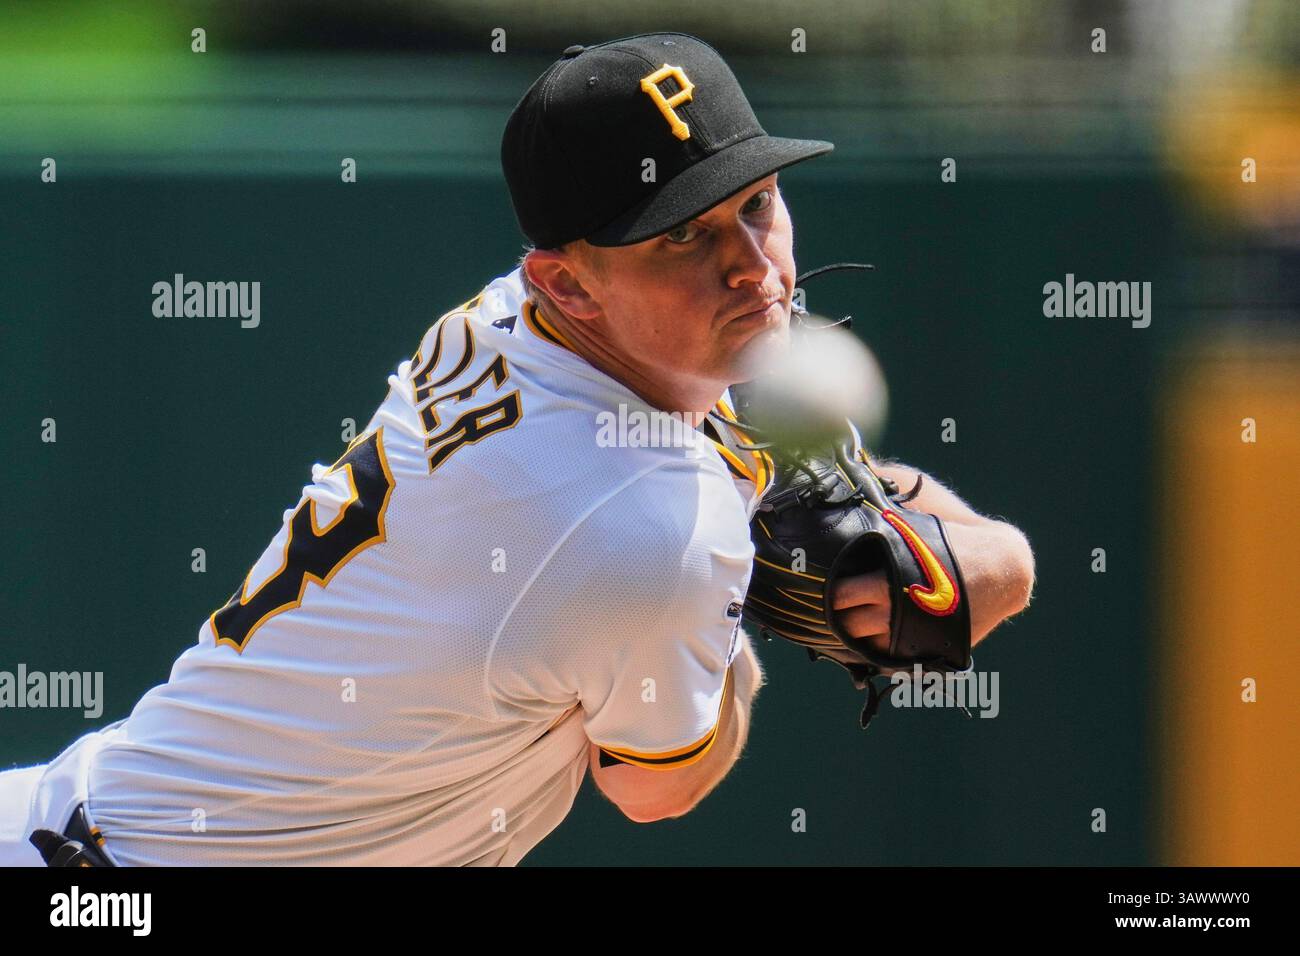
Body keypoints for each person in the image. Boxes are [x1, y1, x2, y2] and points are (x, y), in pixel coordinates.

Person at [0, 32, 1034, 867]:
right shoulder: (644, 534)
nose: (752, 267)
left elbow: (957, 554)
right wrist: (749, 604)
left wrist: (968, 553)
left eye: (755, 204)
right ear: (569, 283)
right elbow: (658, 786)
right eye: (683, 235)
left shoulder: (521, 321)